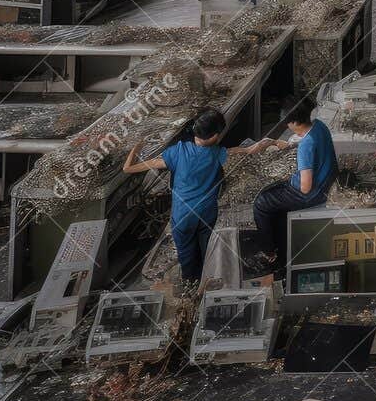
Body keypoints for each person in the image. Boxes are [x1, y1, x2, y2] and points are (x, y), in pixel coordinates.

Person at [123, 108, 264, 286]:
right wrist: (253, 147)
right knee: (207, 253)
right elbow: (237, 151)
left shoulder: (177, 152)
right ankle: (206, 284)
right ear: (215, 135)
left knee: (187, 257)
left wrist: (138, 144)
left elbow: (128, 168)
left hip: (183, 217)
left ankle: (190, 285)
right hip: (207, 214)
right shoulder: (217, 153)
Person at [250, 99, 337, 263]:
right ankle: (281, 236)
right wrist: (280, 143)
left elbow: (305, 188)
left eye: (287, 123)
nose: (287, 126)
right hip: (327, 181)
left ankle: (269, 253)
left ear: (295, 122)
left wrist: (290, 177)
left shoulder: (306, 145)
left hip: (313, 193)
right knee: (272, 194)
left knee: (261, 203)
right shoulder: (319, 125)